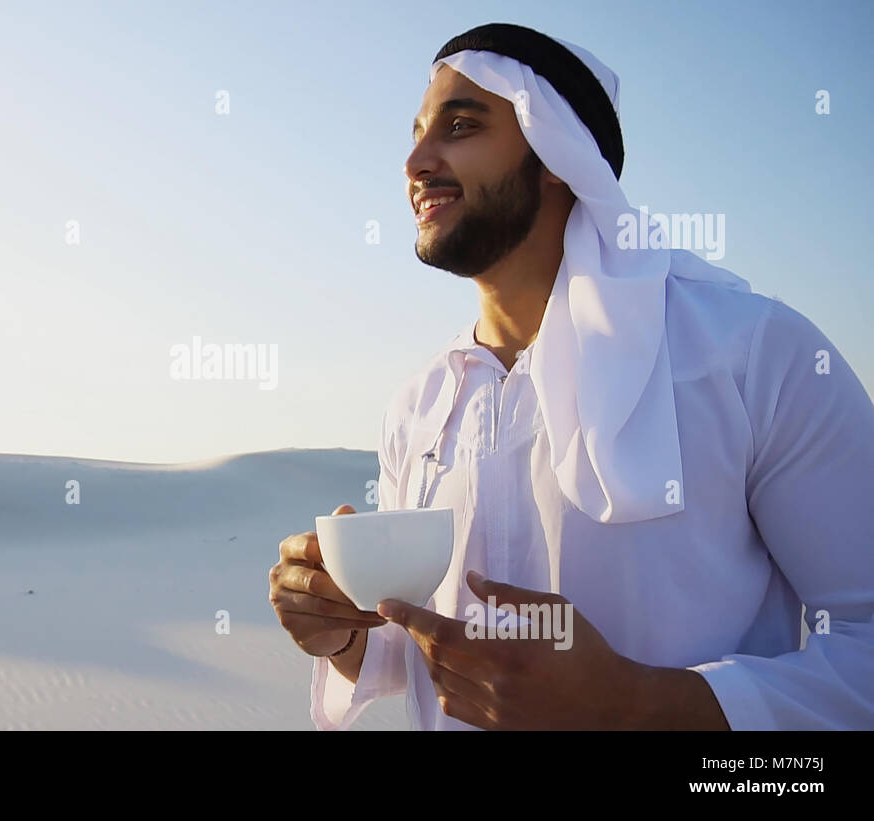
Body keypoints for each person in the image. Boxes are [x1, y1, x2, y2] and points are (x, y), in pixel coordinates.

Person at [268, 23, 874, 730]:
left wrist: (636, 705)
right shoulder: (419, 405)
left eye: (460, 126)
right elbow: (425, 656)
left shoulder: (757, 355)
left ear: (558, 151)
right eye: (415, 132)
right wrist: (341, 630)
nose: (416, 160)